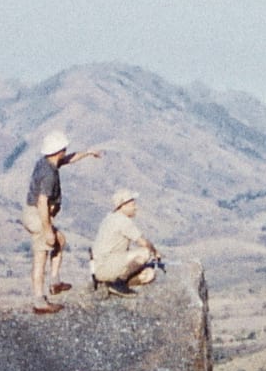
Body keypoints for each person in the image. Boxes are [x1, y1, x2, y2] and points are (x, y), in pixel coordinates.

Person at [22, 130, 102, 314]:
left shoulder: (47, 162)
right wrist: (47, 230)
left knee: (61, 241)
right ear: (59, 151)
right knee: (41, 256)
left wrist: (88, 153)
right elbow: (42, 202)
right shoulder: (49, 174)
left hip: (35, 213)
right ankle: (39, 301)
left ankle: (55, 282)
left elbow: (68, 159)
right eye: (64, 149)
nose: (66, 151)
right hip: (38, 215)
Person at [90, 188, 161, 296]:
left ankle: (114, 286)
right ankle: (118, 283)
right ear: (123, 206)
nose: (136, 208)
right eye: (133, 205)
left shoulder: (110, 218)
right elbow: (143, 243)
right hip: (107, 266)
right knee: (144, 253)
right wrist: (155, 252)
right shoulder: (122, 221)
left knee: (149, 274)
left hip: (102, 267)